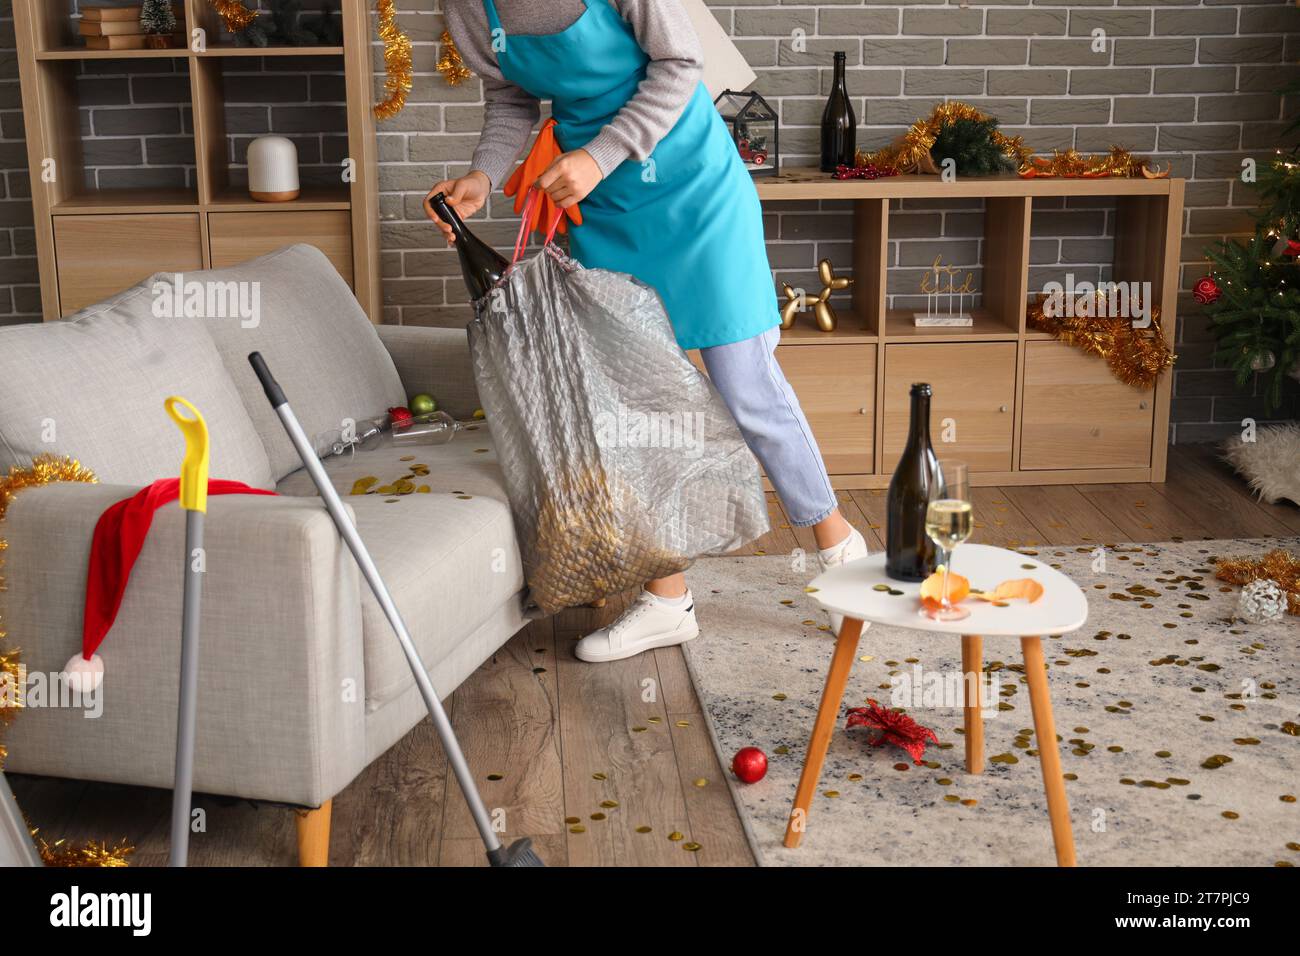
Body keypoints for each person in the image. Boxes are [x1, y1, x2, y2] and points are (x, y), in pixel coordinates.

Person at [429, 0, 867, 663]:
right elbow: (511, 98)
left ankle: (840, 552)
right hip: (602, 208)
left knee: (744, 381)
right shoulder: (464, 4)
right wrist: (482, 176)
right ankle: (667, 598)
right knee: (626, 402)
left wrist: (599, 156)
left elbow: (680, 63)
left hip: (691, 184)